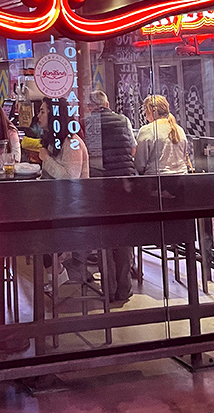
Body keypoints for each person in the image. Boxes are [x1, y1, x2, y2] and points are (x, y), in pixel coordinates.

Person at [85, 89, 137, 305]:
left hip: (101, 184)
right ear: (106, 104)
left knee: (105, 238)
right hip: (125, 184)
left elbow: (89, 155)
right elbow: (133, 149)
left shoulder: (88, 123)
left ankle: (109, 288)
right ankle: (124, 289)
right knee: (124, 237)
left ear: (91, 106)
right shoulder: (123, 120)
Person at [37, 97, 90, 287]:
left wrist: (46, 159)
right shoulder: (55, 141)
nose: (38, 115)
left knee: (41, 236)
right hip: (56, 206)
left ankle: (58, 273)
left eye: (43, 111)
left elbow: (70, 178)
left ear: (54, 115)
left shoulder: (71, 142)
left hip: (71, 210)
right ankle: (56, 273)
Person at [135, 95, 189, 175]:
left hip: (155, 181)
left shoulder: (147, 130)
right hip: (182, 179)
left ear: (153, 110)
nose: (145, 113)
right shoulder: (179, 130)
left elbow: (140, 164)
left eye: (146, 109)